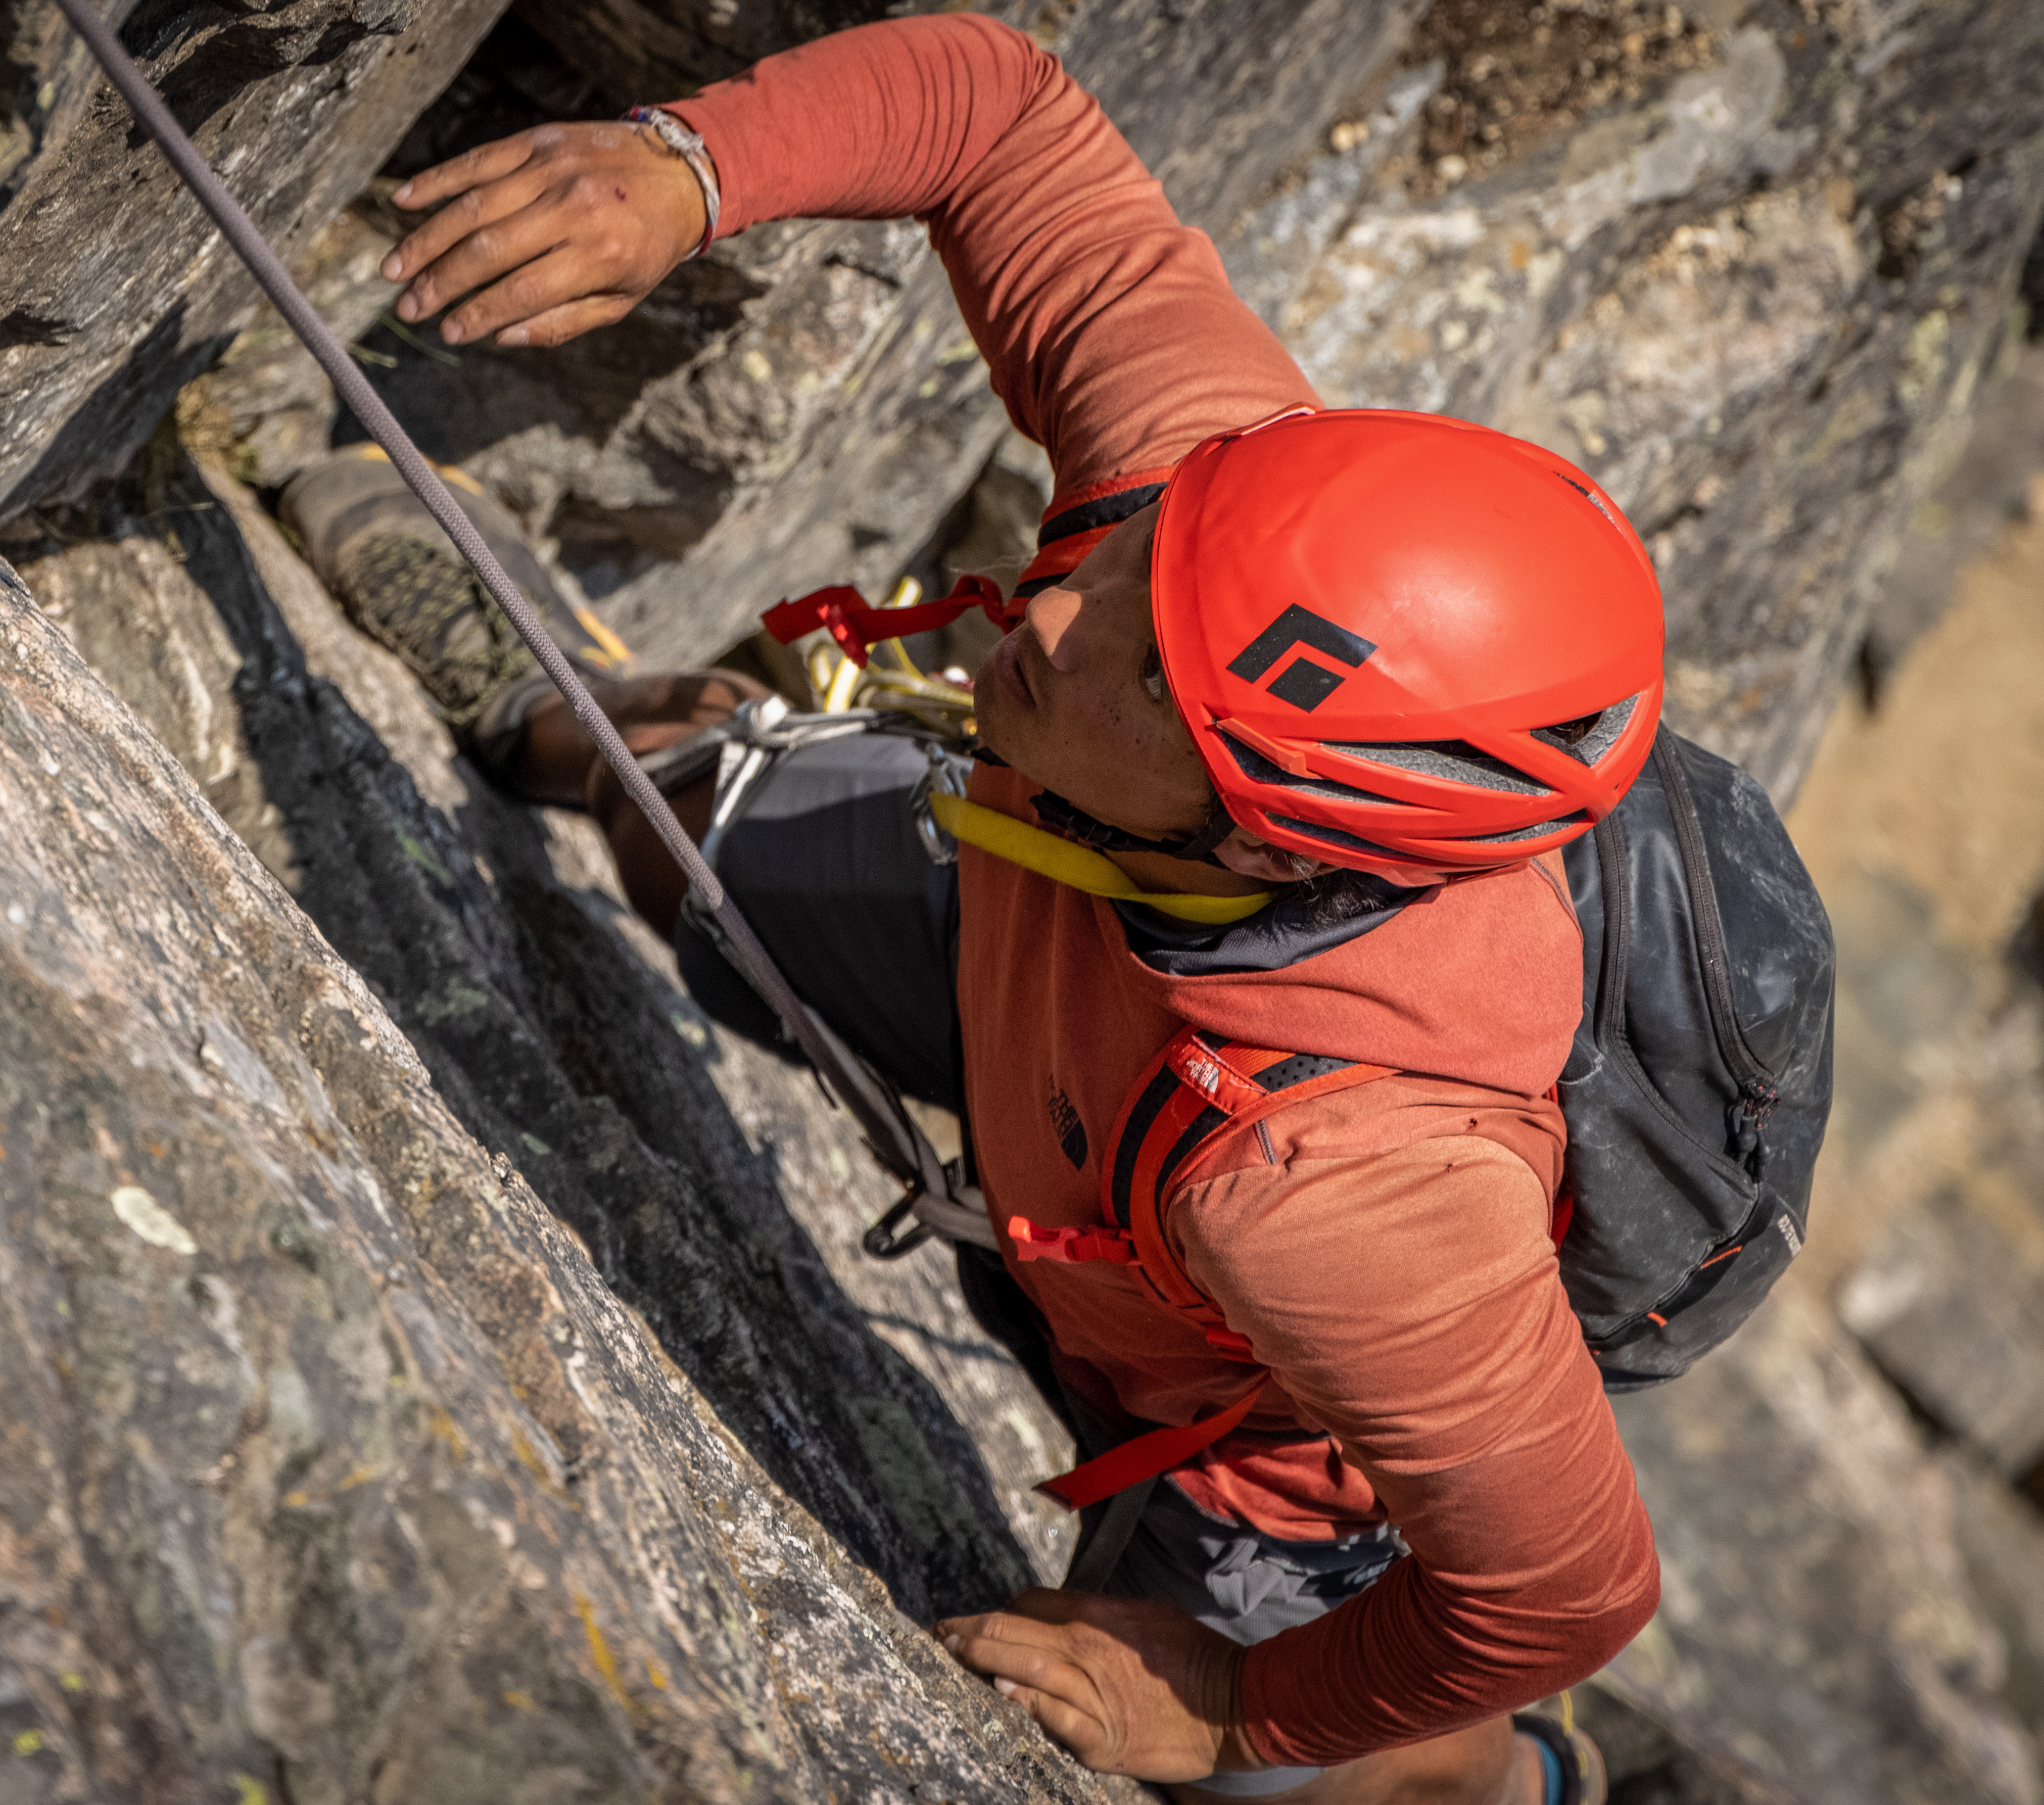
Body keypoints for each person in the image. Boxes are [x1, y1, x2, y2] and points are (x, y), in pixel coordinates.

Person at [332, 16, 1663, 1802]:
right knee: (691, 823)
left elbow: (1563, 1584)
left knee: (1311, 1782)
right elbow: (995, 105)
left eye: (1135, 666)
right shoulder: (1205, 505)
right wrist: (683, 171)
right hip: (1049, 953)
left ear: (1266, 839)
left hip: (1231, 1419)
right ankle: (571, 720)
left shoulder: (1354, 1204)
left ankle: (1516, 1786)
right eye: (1126, 568)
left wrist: (1227, 1711)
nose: (1046, 618)